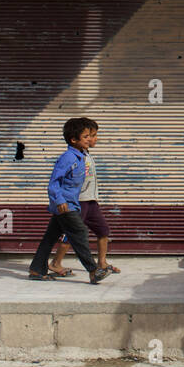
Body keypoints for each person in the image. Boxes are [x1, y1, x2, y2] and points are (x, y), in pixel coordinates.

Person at [27, 117, 110, 284]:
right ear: (74, 140)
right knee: (80, 232)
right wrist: (59, 200)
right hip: (65, 205)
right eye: (86, 136)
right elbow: (54, 182)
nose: (90, 139)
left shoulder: (80, 156)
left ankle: (36, 269)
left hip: (70, 204)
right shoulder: (68, 158)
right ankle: (93, 271)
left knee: (50, 237)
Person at [49, 120, 116, 277]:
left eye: (93, 135)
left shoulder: (86, 154)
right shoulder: (73, 157)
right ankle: (56, 263)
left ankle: (102, 262)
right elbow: (58, 181)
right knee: (72, 234)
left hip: (91, 200)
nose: (94, 139)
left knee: (103, 230)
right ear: (75, 139)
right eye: (90, 136)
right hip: (79, 201)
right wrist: (61, 200)